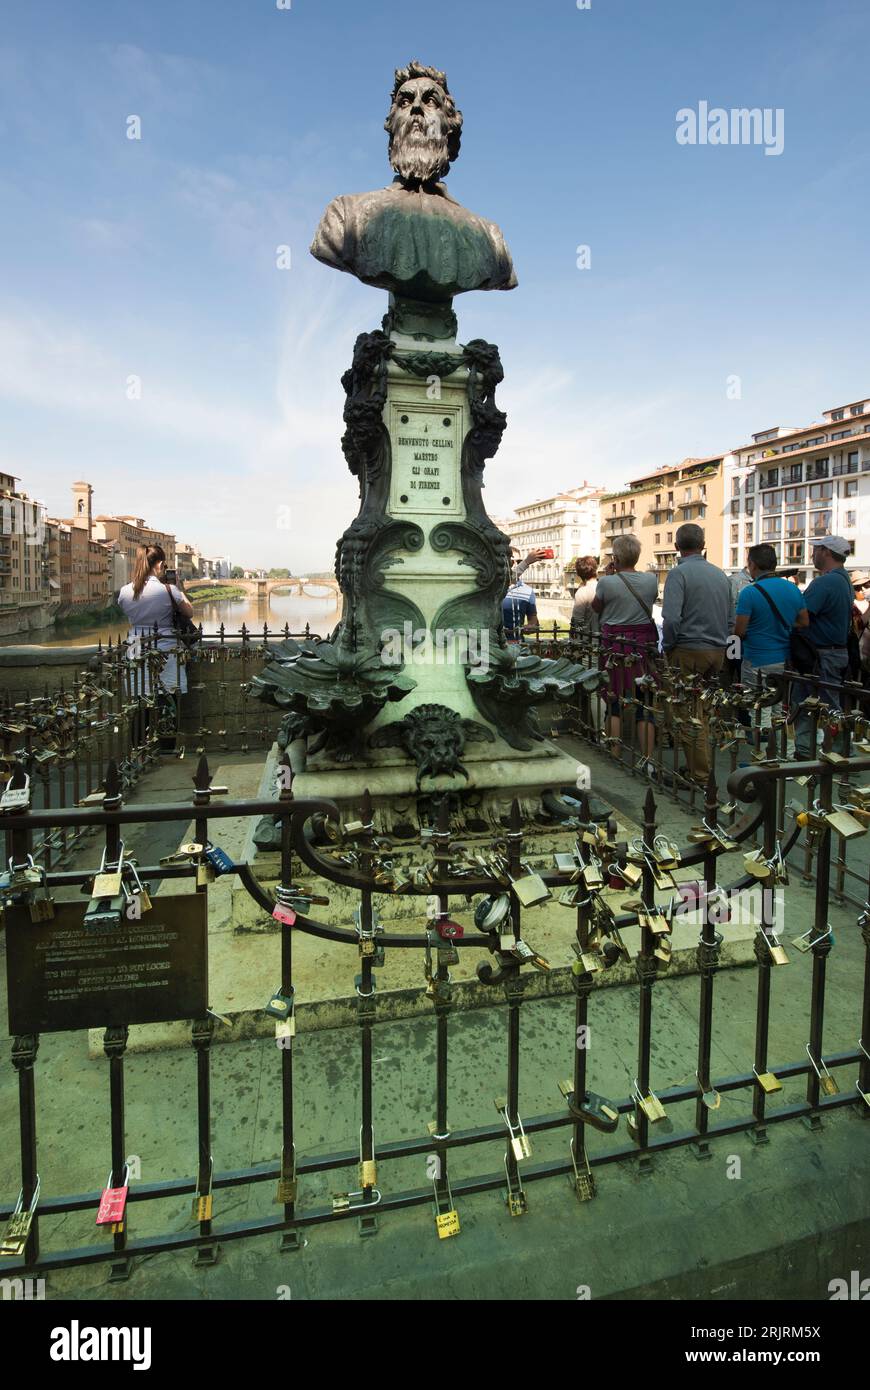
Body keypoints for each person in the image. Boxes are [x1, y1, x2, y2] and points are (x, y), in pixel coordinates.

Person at [661, 523, 733, 783]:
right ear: (703, 545)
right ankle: (698, 768)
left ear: (676, 547)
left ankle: (699, 775)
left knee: (687, 714)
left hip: (688, 649)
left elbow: (670, 619)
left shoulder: (678, 574)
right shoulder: (720, 575)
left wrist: (669, 646)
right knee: (703, 711)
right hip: (716, 651)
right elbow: (730, 619)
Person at [590, 534, 658, 773]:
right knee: (644, 702)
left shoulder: (607, 582)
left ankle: (615, 754)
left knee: (613, 699)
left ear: (615, 558)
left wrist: (609, 577)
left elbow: (596, 608)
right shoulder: (651, 580)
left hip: (614, 646)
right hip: (642, 645)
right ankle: (647, 761)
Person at [733, 544, 809, 730]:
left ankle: (763, 752)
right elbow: (804, 622)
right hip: (783, 659)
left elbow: (740, 631)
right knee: (779, 709)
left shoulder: (749, 592)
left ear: (752, 564)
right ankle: (782, 753)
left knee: (759, 709)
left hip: (756, 660)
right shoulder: (792, 589)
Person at [792, 536, 854, 760]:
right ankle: (826, 751)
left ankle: (836, 753)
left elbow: (801, 616)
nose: (812, 554)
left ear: (826, 552)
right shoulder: (842, 579)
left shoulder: (825, 582)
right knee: (822, 704)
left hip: (821, 654)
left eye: (816, 549)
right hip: (833, 652)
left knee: (822, 706)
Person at [118, 545, 194, 702]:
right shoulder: (169, 590)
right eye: (164, 565)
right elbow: (189, 612)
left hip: (136, 647)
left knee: (140, 699)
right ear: (159, 565)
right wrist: (179, 589)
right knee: (167, 700)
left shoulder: (124, 591)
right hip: (167, 650)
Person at [501, 574, 539, 643]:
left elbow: (534, 623)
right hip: (492, 644)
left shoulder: (528, 591)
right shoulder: (491, 588)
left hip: (516, 645)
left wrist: (530, 627)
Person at [570, 556, 600, 638]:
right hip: (605, 639)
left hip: (587, 640)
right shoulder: (604, 587)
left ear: (579, 574)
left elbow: (576, 622)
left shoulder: (582, 592)